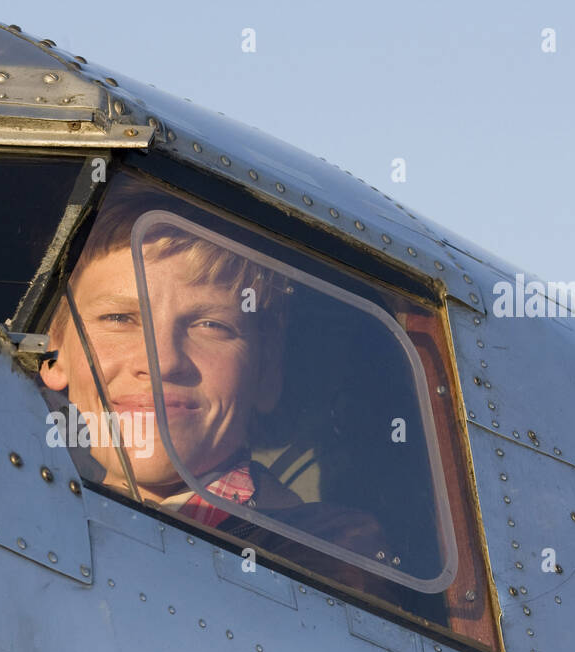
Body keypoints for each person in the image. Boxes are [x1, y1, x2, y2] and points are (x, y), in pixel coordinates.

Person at [39, 179, 394, 594]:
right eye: (119, 319)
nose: (162, 362)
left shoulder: (322, 561)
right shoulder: (35, 515)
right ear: (55, 354)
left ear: (265, 373)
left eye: (210, 325)